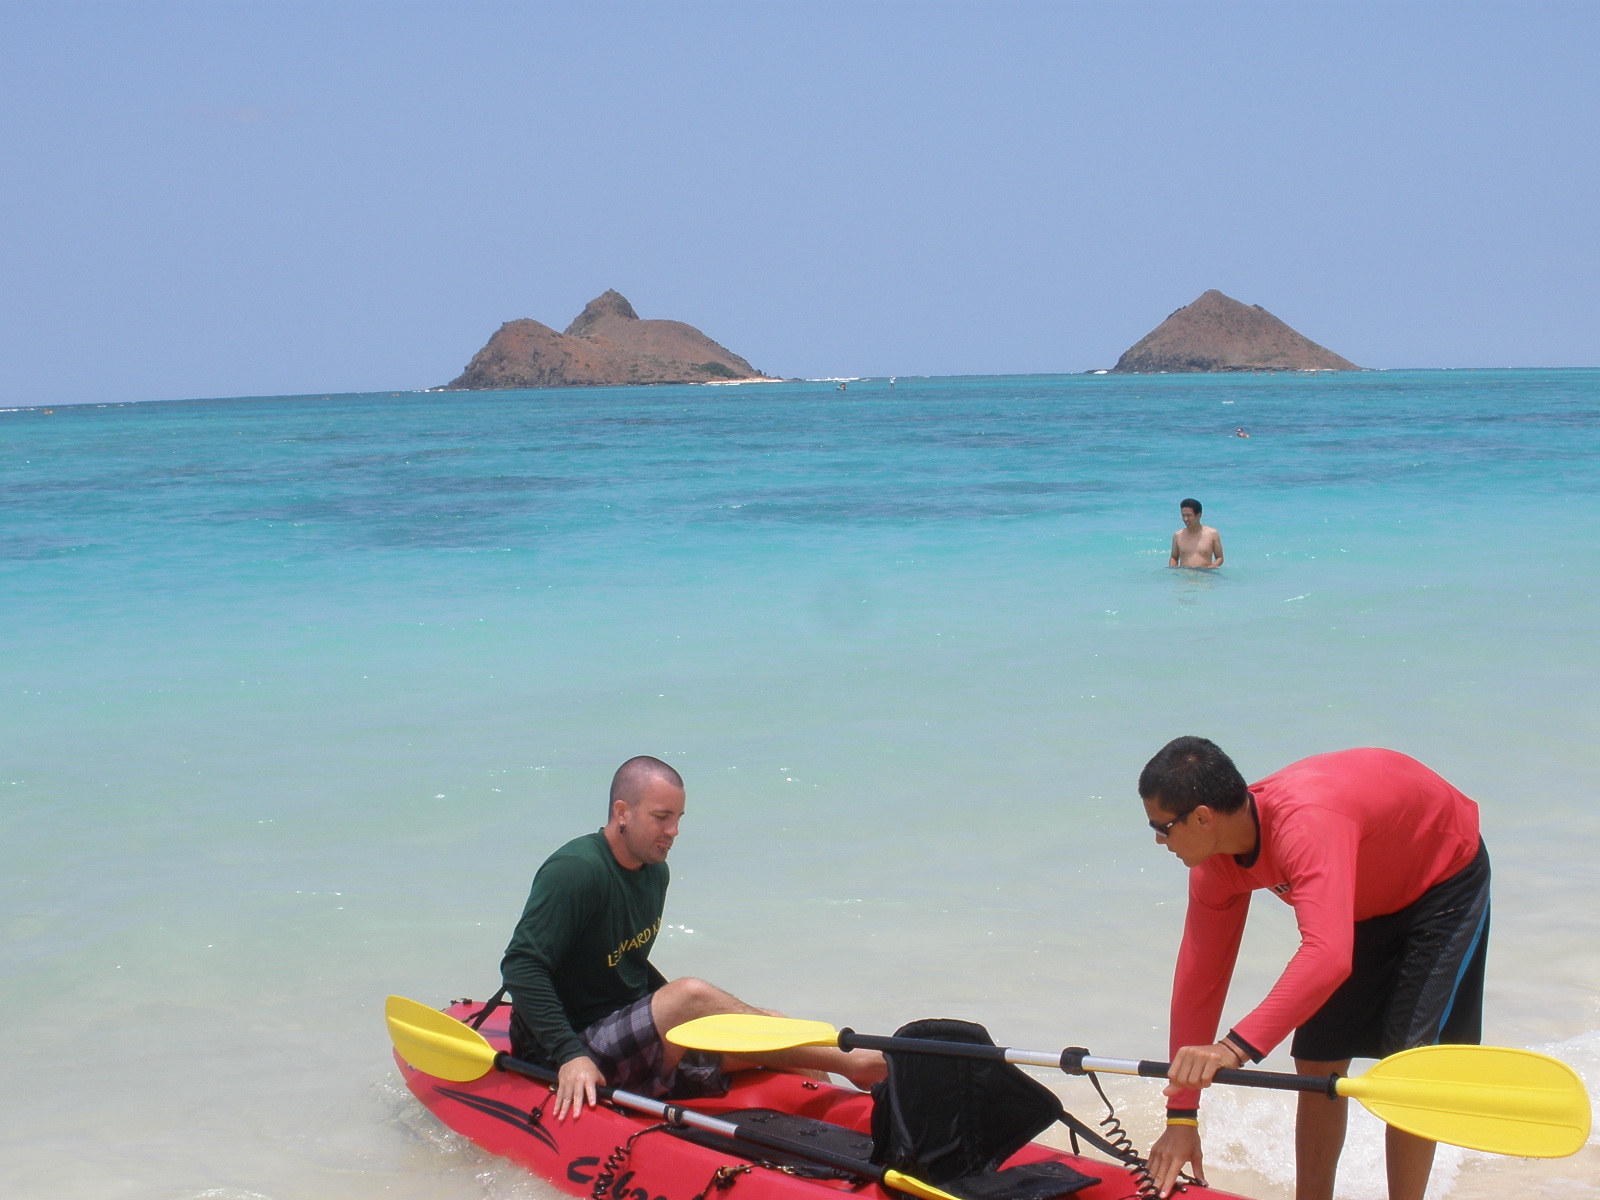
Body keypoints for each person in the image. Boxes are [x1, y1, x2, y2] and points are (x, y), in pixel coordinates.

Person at [1137, 738, 1488, 1200]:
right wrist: (1182, 1115)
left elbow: (1328, 955)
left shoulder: (1305, 824)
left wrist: (1232, 1048)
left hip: (1441, 881)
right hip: (1357, 899)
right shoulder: (1214, 867)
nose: (1160, 841)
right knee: (1318, 1058)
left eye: (1161, 827)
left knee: (1408, 1068)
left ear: (1202, 817)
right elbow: (1199, 979)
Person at [501, 755, 885, 1120]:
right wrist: (569, 1054)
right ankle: (855, 1064)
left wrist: (684, 1023)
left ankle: (856, 1121)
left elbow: (626, 960)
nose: (674, 831)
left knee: (772, 1024)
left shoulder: (654, 873)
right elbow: (521, 965)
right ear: (622, 812)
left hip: (628, 1039)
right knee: (691, 994)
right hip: (568, 1049)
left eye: (679, 818)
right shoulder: (576, 870)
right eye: (661, 817)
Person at [1168, 499, 1224, 568]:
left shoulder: (1212, 533)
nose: (1185, 519)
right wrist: (1173, 570)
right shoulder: (1178, 535)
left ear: (1199, 515)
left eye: (1189, 515)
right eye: (1183, 515)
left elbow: (1220, 558)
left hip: (1205, 574)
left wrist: (1211, 567)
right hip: (1185, 575)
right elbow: (1174, 557)